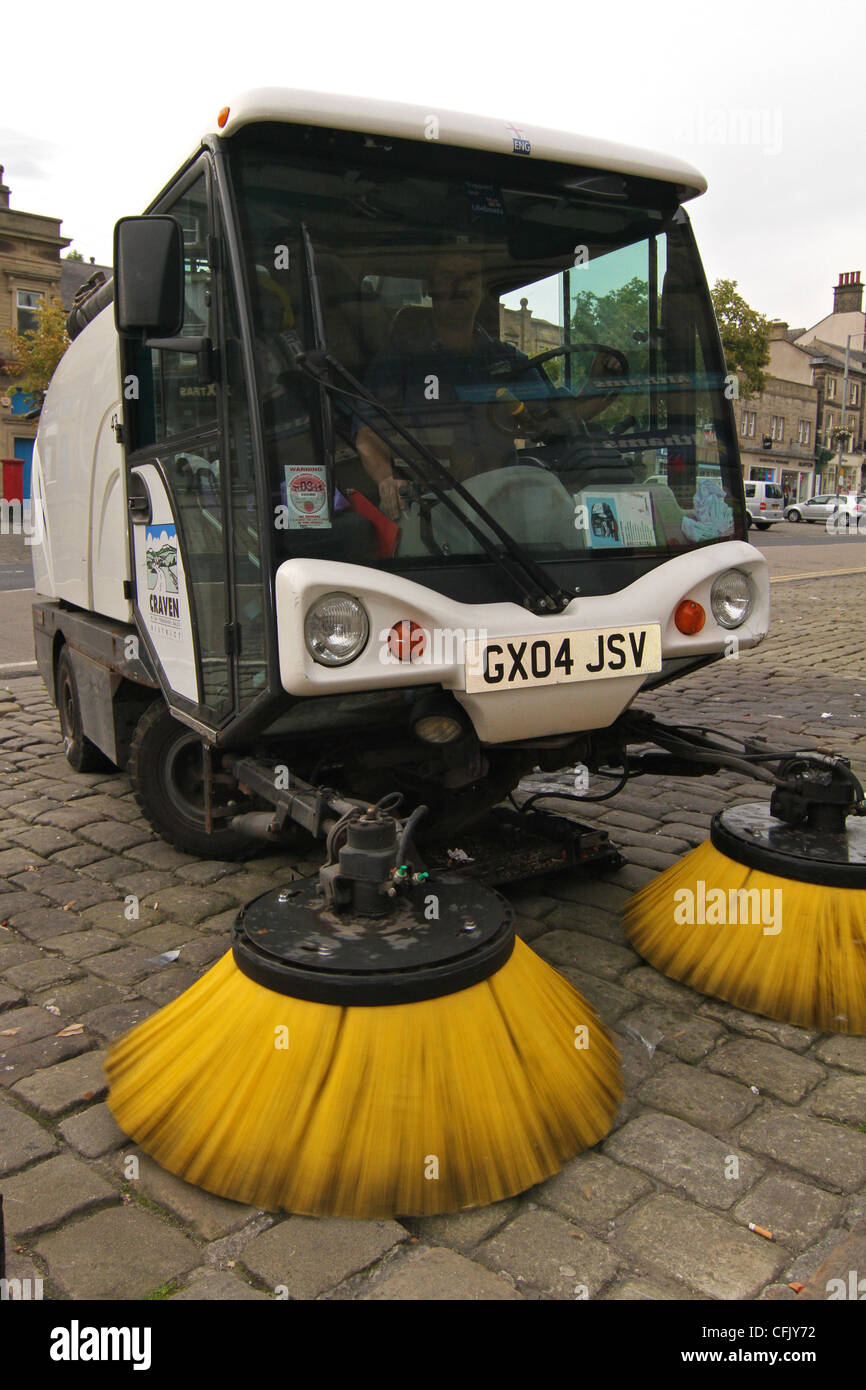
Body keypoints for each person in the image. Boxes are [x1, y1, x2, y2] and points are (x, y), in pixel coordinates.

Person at [353, 251, 625, 520]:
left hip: (504, 507)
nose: (460, 287)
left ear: (482, 289)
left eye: (470, 277)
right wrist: (388, 481)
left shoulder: (508, 360)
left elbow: (558, 420)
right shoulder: (400, 360)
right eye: (449, 277)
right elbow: (367, 434)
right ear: (431, 286)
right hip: (430, 509)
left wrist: (599, 382)